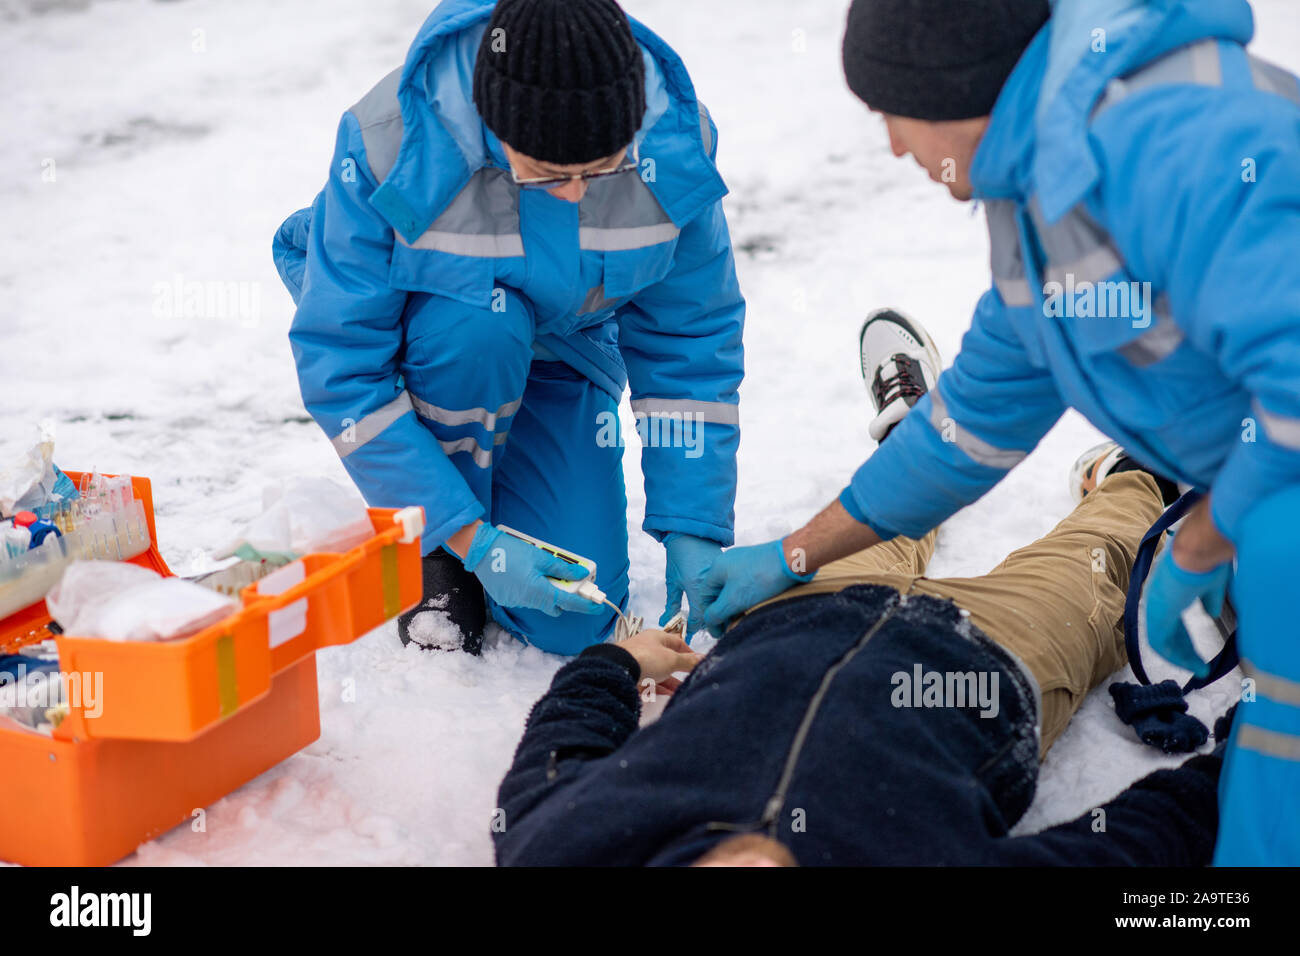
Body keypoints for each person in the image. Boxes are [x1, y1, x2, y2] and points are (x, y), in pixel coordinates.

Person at [697, 0, 1300, 866]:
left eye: (891, 118)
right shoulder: (1041, 199)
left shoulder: (1173, 140)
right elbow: (966, 426)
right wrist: (794, 554)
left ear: (953, 93)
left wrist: (1205, 542)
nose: (897, 149)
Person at [492, 314, 1225, 866]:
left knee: (875, 520)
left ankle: (914, 437)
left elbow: (559, 745)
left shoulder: (562, 850)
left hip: (796, 621)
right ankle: (1137, 478)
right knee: (1099, 560)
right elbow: (1139, 845)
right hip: (987, 662)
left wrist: (621, 664)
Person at [271, 0, 744, 656]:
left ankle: (490, 482)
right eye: (550, 175)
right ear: (495, 125)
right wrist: (471, 541)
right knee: (477, 330)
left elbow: (690, 335)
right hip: (443, 326)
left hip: (562, 346)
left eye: (601, 170)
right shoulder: (389, 145)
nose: (578, 194)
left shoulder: (673, 141)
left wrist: (694, 524)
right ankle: (438, 543)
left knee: (573, 617)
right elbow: (344, 365)